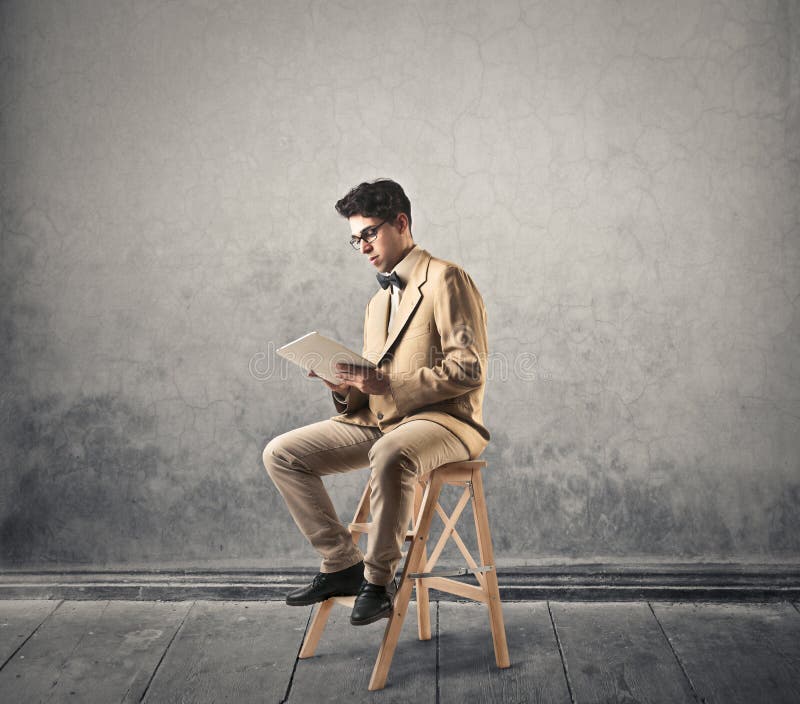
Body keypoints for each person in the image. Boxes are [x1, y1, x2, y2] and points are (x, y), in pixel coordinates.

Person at [262, 178, 490, 625]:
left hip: (448, 422)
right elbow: (372, 386)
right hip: (383, 420)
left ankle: (378, 580)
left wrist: (387, 383)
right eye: (355, 239)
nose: (363, 246)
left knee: (389, 452)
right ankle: (342, 564)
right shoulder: (377, 303)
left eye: (369, 233)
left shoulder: (447, 278)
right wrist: (342, 386)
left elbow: (469, 369)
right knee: (282, 454)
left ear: (401, 222)